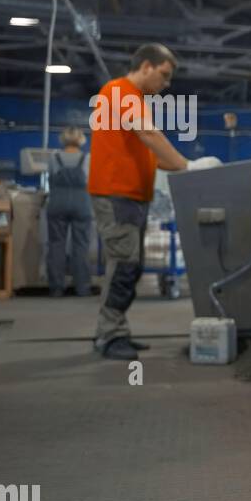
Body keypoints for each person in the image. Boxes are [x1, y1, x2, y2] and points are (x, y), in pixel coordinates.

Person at [88, 43, 190, 361]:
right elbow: (150, 136)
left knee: (131, 267)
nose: (167, 84)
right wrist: (188, 166)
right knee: (123, 266)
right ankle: (109, 336)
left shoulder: (136, 101)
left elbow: (151, 154)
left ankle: (117, 331)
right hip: (117, 195)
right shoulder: (120, 92)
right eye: (164, 75)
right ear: (146, 66)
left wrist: (187, 167)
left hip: (133, 197)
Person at [46, 126, 94, 297]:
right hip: (81, 204)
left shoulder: (54, 157)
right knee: (81, 246)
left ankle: (56, 288)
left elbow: (50, 177)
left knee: (56, 245)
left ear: (63, 139)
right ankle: (82, 288)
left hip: (57, 202)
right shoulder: (87, 158)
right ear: (81, 140)